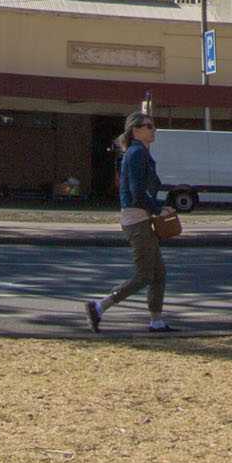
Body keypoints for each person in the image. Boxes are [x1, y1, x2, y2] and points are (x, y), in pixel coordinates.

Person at [86, 116, 171, 334]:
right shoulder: (136, 154)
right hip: (137, 220)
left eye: (154, 126)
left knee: (158, 272)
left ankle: (157, 320)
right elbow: (137, 192)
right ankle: (99, 306)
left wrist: (159, 207)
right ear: (135, 130)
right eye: (149, 126)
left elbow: (144, 192)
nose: (154, 130)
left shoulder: (141, 152)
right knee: (145, 275)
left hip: (142, 217)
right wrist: (158, 209)